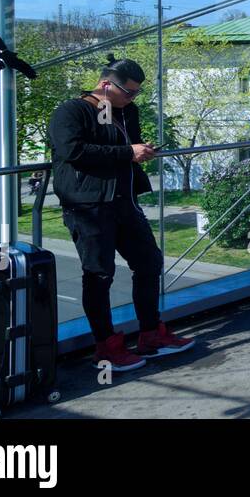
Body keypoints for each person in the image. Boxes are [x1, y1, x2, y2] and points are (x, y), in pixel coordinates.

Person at [50, 58, 195, 372]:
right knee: (100, 274)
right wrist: (129, 152)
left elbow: (126, 149)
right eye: (129, 93)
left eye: (136, 94)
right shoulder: (71, 111)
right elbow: (72, 151)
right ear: (105, 85)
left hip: (123, 201)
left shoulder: (127, 112)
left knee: (149, 262)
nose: (133, 99)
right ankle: (106, 348)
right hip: (88, 205)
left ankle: (150, 334)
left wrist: (140, 149)